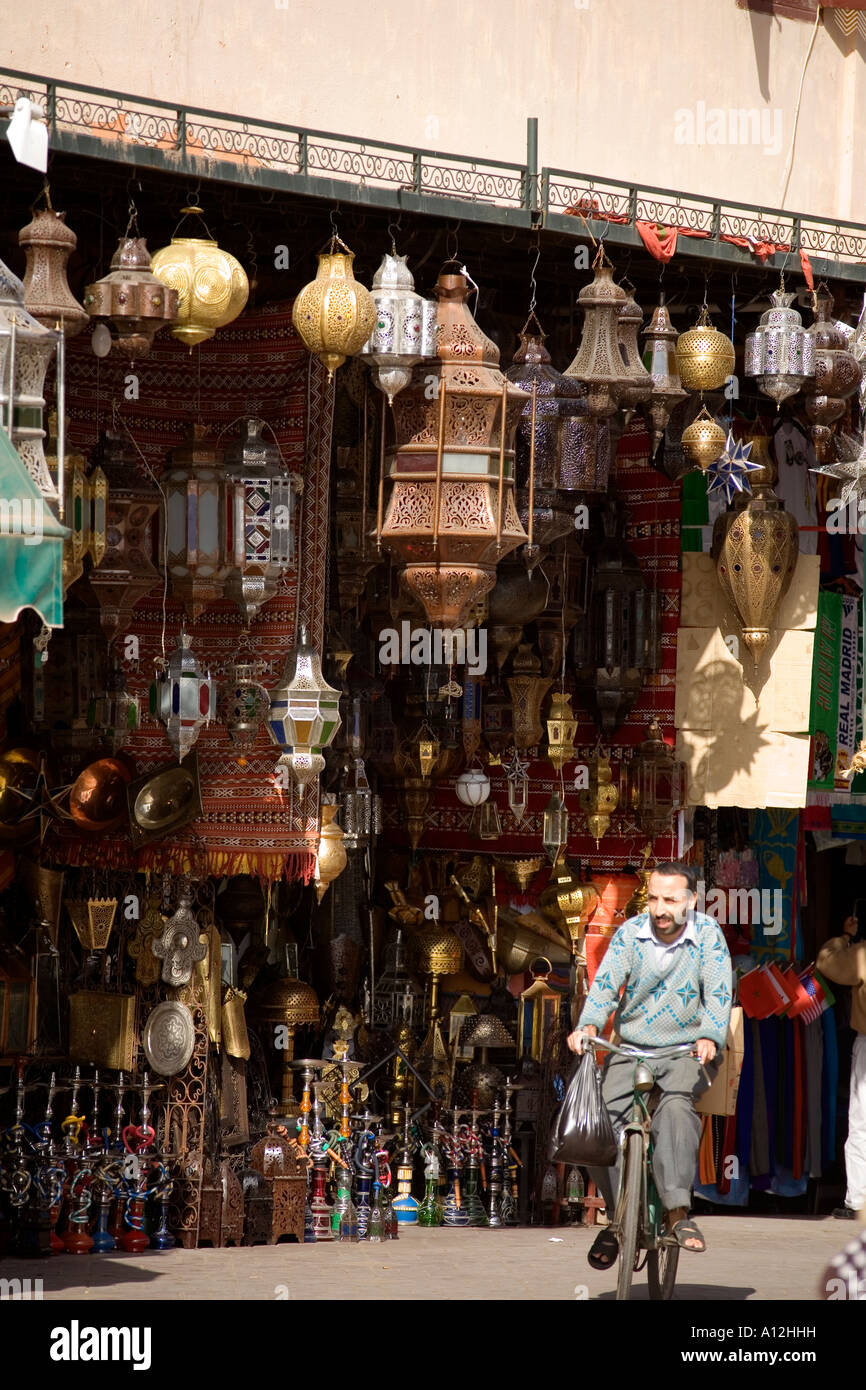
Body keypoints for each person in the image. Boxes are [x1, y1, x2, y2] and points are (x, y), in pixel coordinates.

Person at [566, 860, 732, 1269]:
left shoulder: (708, 936)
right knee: (599, 1121)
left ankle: (678, 1213)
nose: (660, 908)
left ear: (691, 901)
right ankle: (618, 1216)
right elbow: (604, 986)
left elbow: (719, 993)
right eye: (655, 898)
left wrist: (710, 1034)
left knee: (676, 1107)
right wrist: (587, 1025)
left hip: (688, 1050)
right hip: (633, 1047)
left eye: (671, 900)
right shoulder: (630, 934)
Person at [817, 914, 866, 1221]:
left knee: (862, 1123)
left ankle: (858, 1199)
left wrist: (844, 937)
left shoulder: (862, 953)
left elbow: (827, 962)